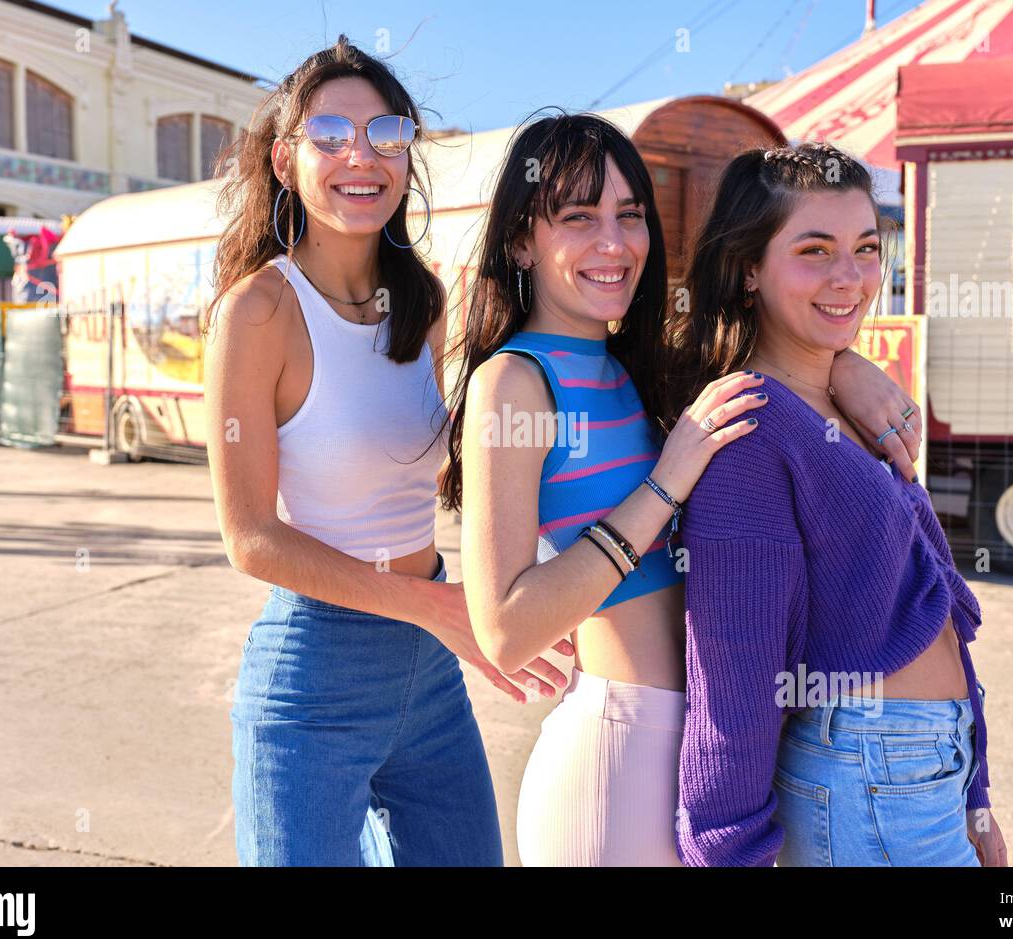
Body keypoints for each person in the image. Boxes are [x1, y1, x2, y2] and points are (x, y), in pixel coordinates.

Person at [440, 115, 921, 865]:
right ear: (522, 241)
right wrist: (665, 486)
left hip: (703, 749)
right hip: (617, 757)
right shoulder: (515, 381)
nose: (614, 242)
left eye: (629, 215)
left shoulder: (640, 369)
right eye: (578, 218)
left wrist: (849, 367)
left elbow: (771, 351)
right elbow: (504, 628)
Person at [203, 36, 564, 867]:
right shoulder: (257, 312)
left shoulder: (424, 299)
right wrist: (440, 610)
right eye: (330, 135)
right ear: (287, 160)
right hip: (316, 677)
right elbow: (250, 538)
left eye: (386, 134)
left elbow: (429, 464)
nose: (360, 156)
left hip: (429, 676)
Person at [669, 142, 1008, 867]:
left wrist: (975, 798)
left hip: (923, 771)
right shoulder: (747, 433)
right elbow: (734, 676)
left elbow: (931, 607)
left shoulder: (846, 402)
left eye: (864, 247)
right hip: (868, 774)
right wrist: (729, 854)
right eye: (815, 250)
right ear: (750, 268)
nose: (849, 277)